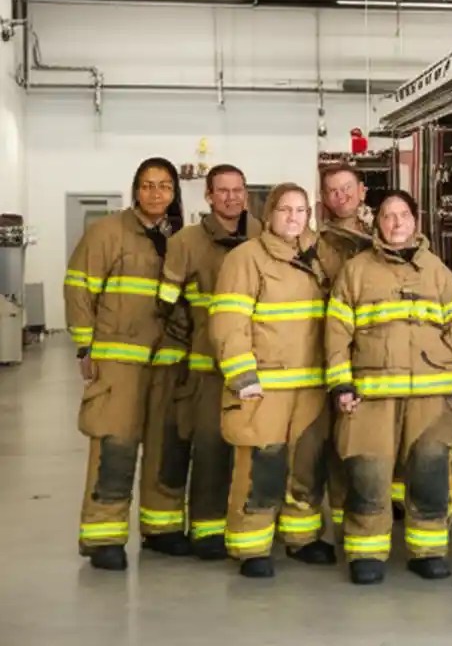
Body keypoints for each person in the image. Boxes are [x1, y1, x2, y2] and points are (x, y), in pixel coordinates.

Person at [325, 191, 452, 585]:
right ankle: (366, 553)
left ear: (415, 222)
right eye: (388, 215)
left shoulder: (438, 272)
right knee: (369, 473)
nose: (397, 223)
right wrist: (341, 383)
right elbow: (337, 331)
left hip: (429, 396)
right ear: (378, 223)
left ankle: (428, 551)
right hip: (372, 394)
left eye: (404, 215)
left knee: (429, 473)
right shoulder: (356, 271)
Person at [65, 157, 187, 570]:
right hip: (117, 362)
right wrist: (85, 347)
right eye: (148, 185)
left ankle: (162, 528)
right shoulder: (107, 232)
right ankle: (103, 537)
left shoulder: (177, 238)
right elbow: (78, 286)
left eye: (165, 186)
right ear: (136, 189)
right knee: (114, 447)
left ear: (174, 193)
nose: (156, 194)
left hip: (165, 362)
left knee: (163, 447)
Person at [209, 183, 337, 578]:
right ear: (269, 214)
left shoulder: (319, 257)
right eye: (285, 210)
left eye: (301, 211)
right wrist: (241, 374)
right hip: (264, 387)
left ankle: (301, 538)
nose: (293, 218)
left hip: (311, 384)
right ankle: (251, 545)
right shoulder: (246, 258)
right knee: (260, 467)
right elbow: (229, 321)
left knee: (306, 465)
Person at [157, 164, 262, 560]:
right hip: (204, 367)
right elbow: (167, 302)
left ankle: (249, 528)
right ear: (208, 195)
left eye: (237, 190)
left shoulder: (263, 237)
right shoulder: (185, 242)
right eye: (222, 191)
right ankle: (207, 531)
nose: (231, 197)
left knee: (253, 451)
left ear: (246, 194)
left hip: (254, 366)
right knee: (210, 449)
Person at [316, 164, 379, 528]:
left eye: (347, 189)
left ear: (362, 191)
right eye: (333, 191)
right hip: (342, 349)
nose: (341, 197)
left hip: (383, 353)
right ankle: (343, 512)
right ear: (324, 199)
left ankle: (385, 506)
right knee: (343, 438)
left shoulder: (385, 232)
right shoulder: (316, 244)